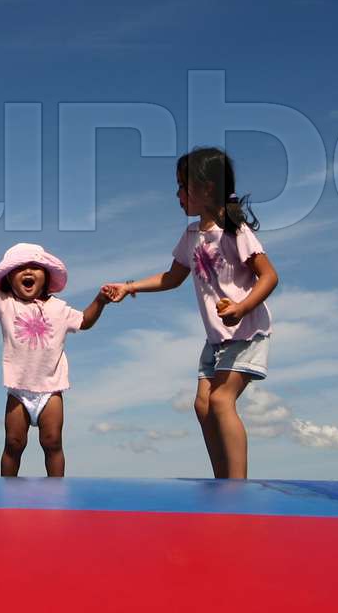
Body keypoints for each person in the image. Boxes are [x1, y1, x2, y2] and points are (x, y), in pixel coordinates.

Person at [101, 147, 278, 479]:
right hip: (216, 338)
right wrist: (130, 286)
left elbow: (269, 275)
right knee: (202, 405)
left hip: (246, 332)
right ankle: (221, 479)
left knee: (222, 401)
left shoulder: (234, 231)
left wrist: (242, 307)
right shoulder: (191, 236)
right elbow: (172, 277)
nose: (178, 195)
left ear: (206, 188)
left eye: (182, 186)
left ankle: (237, 486)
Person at [0, 242, 111, 477]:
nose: (28, 271)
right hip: (18, 391)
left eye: (35, 267)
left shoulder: (59, 308)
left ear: (47, 276)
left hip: (50, 390)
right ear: (9, 278)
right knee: (13, 443)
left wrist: (100, 300)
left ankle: (56, 490)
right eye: (20, 268)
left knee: (52, 442)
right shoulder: (5, 303)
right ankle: (7, 489)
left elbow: (84, 321)